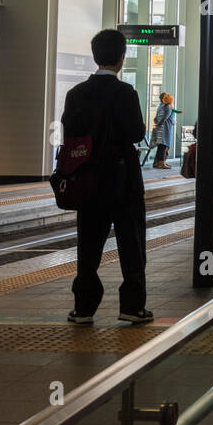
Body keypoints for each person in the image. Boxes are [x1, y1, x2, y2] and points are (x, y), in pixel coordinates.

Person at [62, 28, 152, 325]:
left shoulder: (75, 94)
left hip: (87, 180)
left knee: (88, 245)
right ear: (122, 58)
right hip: (123, 179)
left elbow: (71, 133)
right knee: (131, 244)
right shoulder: (125, 93)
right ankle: (132, 305)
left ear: (95, 56)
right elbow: (136, 132)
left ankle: (84, 308)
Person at [150, 92, 175, 169]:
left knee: (161, 146)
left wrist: (157, 123)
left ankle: (156, 163)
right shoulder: (167, 107)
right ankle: (161, 163)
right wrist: (159, 124)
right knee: (163, 146)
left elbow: (157, 117)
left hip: (160, 128)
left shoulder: (160, 106)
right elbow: (165, 118)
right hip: (165, 129)